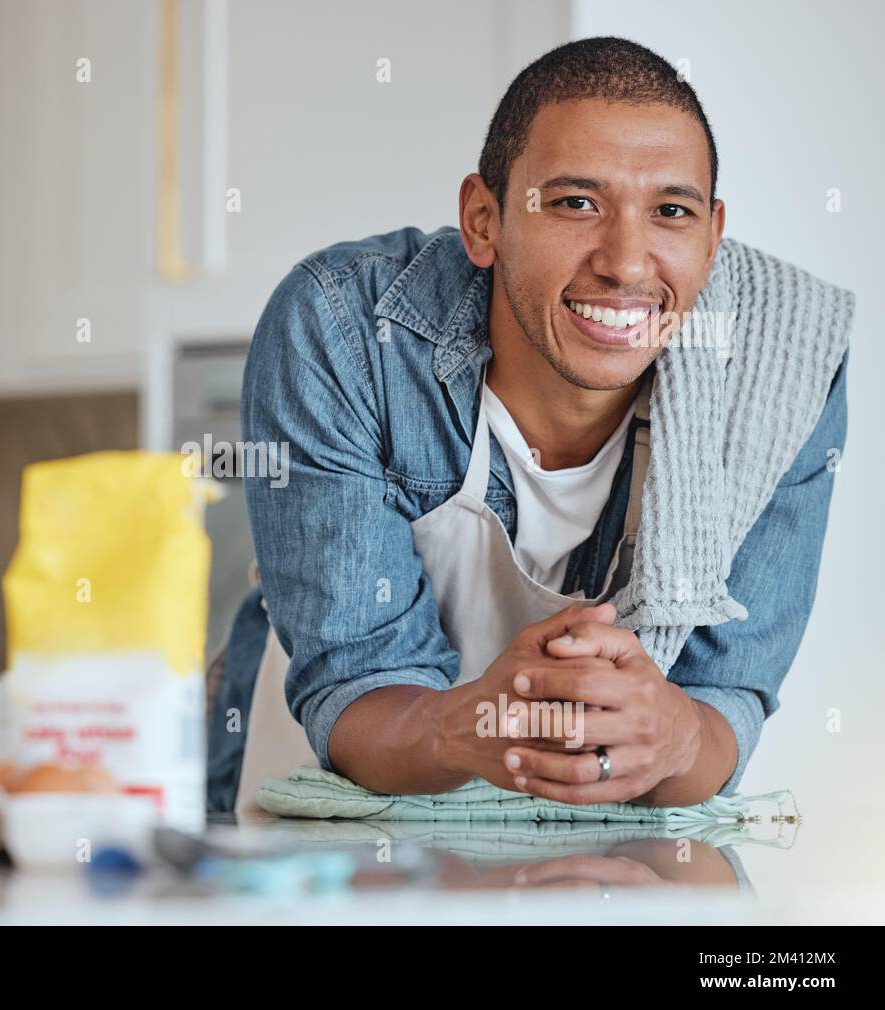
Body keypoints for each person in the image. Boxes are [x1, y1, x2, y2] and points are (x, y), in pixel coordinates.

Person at [206, 36, 852, 814]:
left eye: (671, 212)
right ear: (484, 220)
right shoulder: (343, 330)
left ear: (713, 240)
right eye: (577, 203)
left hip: (589, 849)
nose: (626, 263)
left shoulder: (782, 372)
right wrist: (474, 721)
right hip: (327, 832)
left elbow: (724, 706)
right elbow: (358, 680)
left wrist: (675, 736)